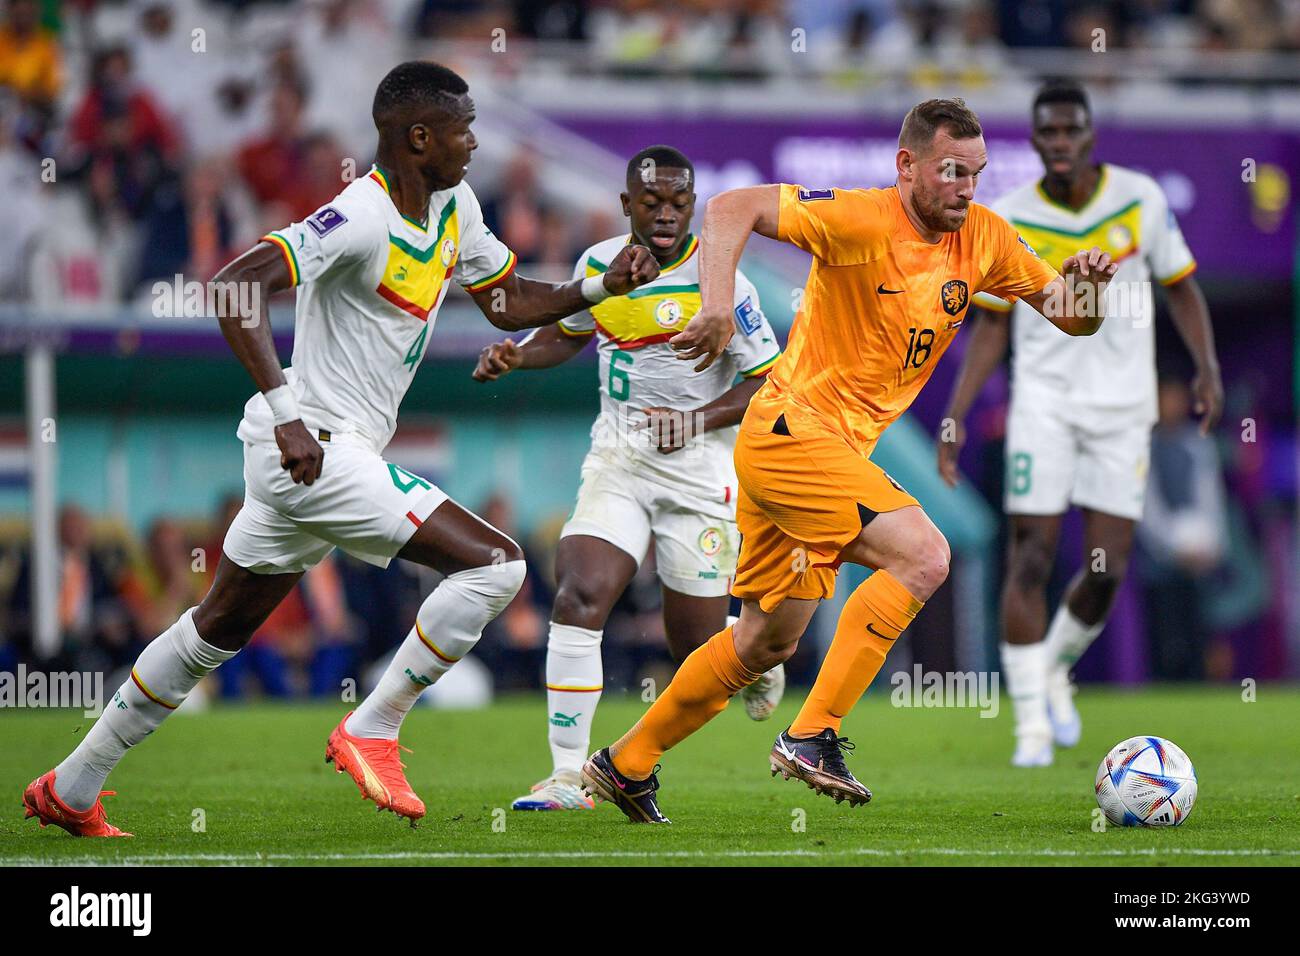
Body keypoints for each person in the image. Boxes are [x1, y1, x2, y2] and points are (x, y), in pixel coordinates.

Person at [22, 60, 659, 837]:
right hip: (314, 447)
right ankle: (374, 726)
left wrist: (598, 290)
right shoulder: (359, 215)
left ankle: (73, 786)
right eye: (463, 130)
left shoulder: (455, 206)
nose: (474, 143)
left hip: (324, 457)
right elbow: (232, 285)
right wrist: (284, 411)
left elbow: (506, 301)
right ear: (419, 136)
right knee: (499, 565)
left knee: (213, 630)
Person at [581, 97, 1119, 823]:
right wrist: (713, 304)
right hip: (791, 436)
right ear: (906, 166)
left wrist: (1090, 285)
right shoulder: (862, 219)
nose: (966, 187)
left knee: (765, 640)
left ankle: (625, 764)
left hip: (820, 454)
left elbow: (1071, 316)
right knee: (925, 556)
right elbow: (734, 207)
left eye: (977, 173)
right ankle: (813, 733)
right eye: (951, 171)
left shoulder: (983, 238)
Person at [472, 145, 784, 812]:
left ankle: (754, 653)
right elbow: (570, 334)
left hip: (700, 471)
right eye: (652, 202)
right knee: (578, 592)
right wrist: (518, 358)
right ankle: (564, 776)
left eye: (679, 203)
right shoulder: (598, 266)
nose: (666, 214)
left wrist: (695, 420)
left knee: (695, 647)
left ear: (692, 205)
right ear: (627, 206)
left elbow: (769, 382)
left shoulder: (723, 279)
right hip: (617, 456)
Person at [937, 81, 1222, 766]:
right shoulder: (1008, 216)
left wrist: (1207, 367)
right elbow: (990, 329)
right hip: (1044, 404)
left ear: (1090, 135)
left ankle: (1055, 670)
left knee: (1105, 569)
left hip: (1123, 409)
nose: (1060, 143)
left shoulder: (1141, 200)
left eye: (1071, 131)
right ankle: (1031, 722)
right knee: (1030, 556)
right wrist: (956, 414)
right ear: (1035, 141)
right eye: (1048, 133)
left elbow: (1182, 287)